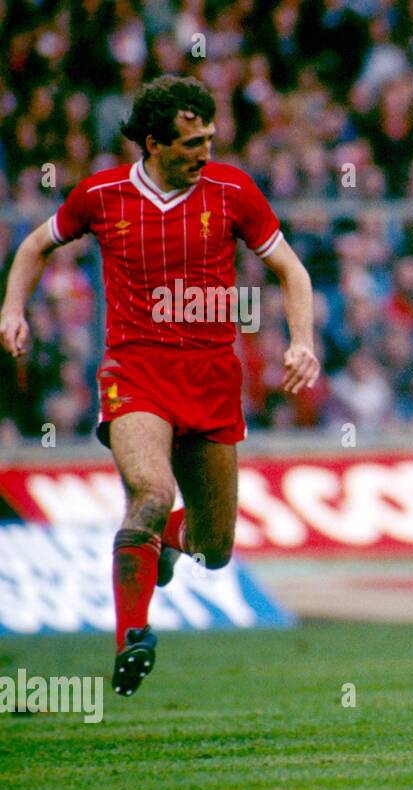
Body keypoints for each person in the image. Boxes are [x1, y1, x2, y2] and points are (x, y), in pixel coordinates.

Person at [0, 75, 320, 695]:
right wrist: (13, 308)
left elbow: (290, 269)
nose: (205, 153)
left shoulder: (233, 191)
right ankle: (132, 638)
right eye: (191, 143)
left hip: (211, 379)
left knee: (217, 546)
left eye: (209, 139)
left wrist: (301, 340)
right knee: (149, 493)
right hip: (136, 374)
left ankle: (170, 543)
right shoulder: (102, 195)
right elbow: (36, 245)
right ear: (152, 142)